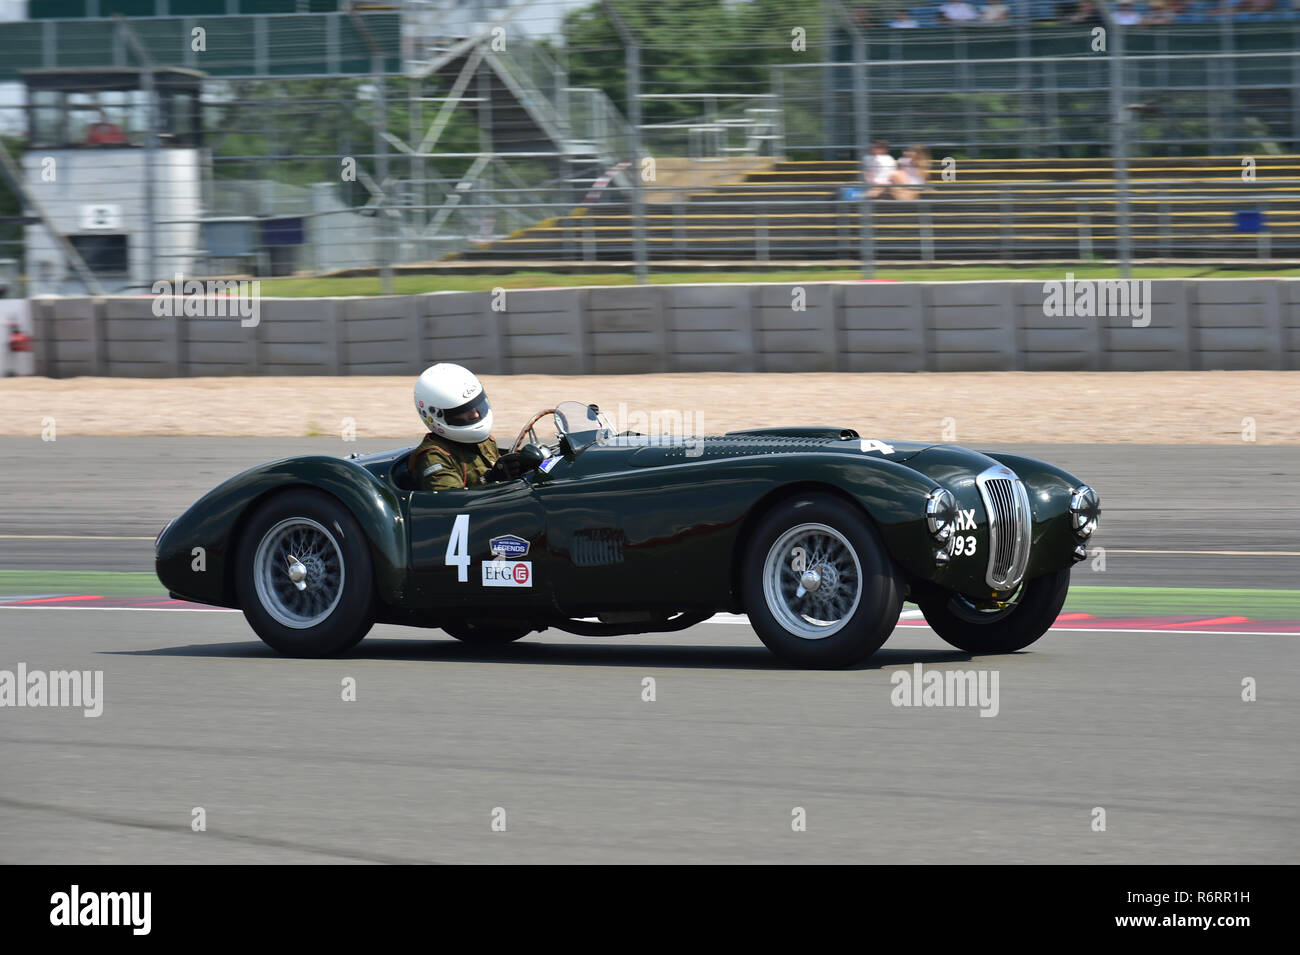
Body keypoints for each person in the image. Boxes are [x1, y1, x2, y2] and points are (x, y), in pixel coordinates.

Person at [409, 362, 501, 490]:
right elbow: (453, 502)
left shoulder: (484, 442)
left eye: (476, 405)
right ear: (438, 415)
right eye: (463, 410)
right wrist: (491, 478)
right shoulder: (433, 457)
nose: (475, 414)